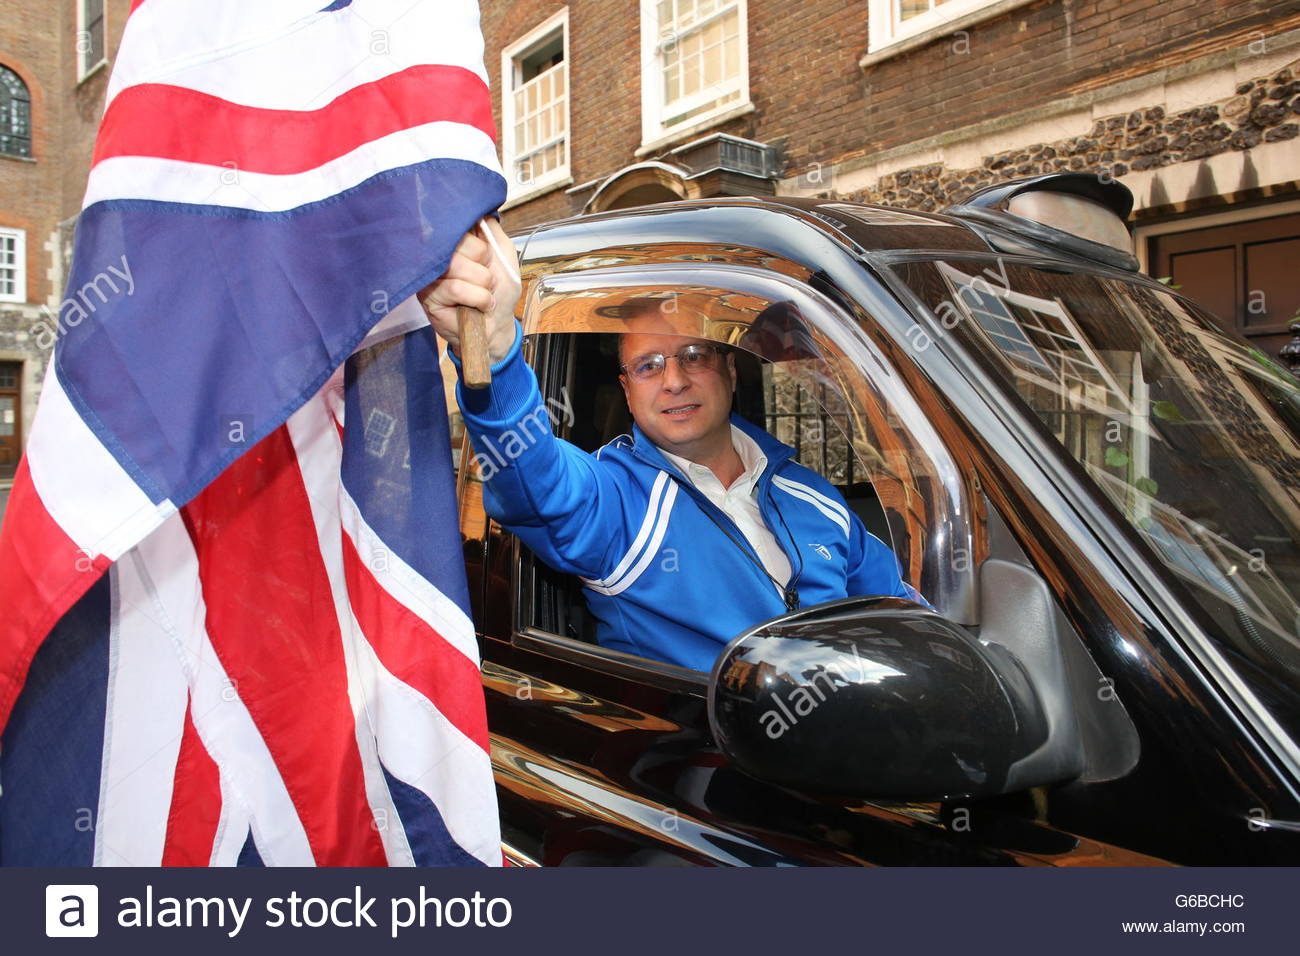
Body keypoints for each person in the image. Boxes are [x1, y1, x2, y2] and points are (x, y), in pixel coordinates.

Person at [422, 222, 922, 673]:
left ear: (730, 369)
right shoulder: (616, 499)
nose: (675, 381)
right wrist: (495, 354)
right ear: (626, 390)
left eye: (693, 355)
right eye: (648, 366)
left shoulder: (812, 494)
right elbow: (533, 477)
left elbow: (902, 615)